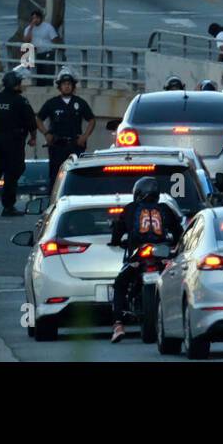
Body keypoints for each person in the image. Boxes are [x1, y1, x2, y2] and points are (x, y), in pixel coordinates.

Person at [108, 176, 184, 343]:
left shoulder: (130, 209)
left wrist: (116, 240)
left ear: (138, 193)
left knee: (120, 285)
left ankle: (118, 325)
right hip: (160, 256)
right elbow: (179, 232)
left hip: (138, 256)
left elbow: (118, 232)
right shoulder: (165, 209)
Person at [0, 69, 37, 217]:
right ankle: (8, 207)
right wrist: (33, 137)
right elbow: (31, 121)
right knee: (12, 175)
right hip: (14, 143)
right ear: (15, 84)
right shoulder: (20, 101)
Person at [37, 69, 96, 184]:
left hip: (75, 145)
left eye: (69, 84)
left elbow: (92, 120)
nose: (67, 87)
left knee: (77, 175)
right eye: (64, 84)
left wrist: (85, 136)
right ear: (59, 87)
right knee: (56, 176)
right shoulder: (52, 103)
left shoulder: (80, 102)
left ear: (73, 86)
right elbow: (38, 119)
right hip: (57, 146)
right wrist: (46, 133)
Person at [23, 10, 59, 86]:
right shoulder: (28, 29)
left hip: (47, 52)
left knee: (48, 72)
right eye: (33, 18)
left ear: (41, 18)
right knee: (37, 73)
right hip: (35, 53)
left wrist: (56, 49)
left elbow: (54, 39)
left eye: (37, 18)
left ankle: (49, 86)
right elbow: (26, 41)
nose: (35, 20)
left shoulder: (48, 27)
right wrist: (31, 28)